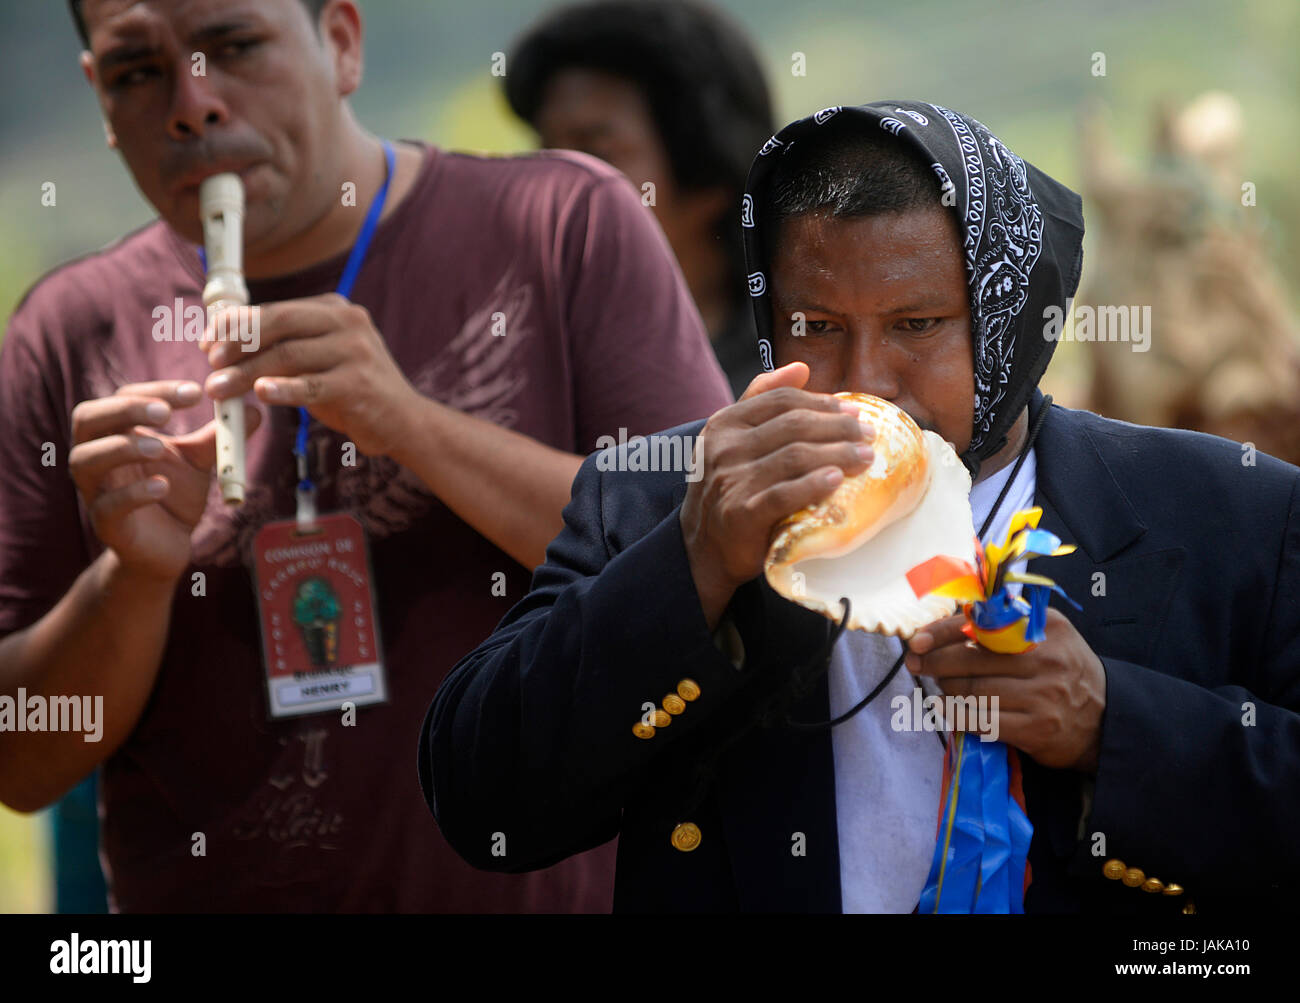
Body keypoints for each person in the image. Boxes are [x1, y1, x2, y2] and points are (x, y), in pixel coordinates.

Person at [421, 102, 1300, 913]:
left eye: (917, 325)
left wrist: (1114, 726)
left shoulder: (1235, 510)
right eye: (819, 325)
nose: (864, 380)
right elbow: (481, 799)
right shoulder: (658, 494)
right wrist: (693, 560)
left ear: (1004, 318)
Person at [0, 0, 732, 912]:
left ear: (341, 42)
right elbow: (23, 762)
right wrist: (134, 576)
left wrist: (412, 425)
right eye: (137, 72)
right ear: (98, 100)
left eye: (233, 45)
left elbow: (710, 559)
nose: (191, 104)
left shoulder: (562, 223)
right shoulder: (67, 330)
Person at [504, 0, 774, 399]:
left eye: (597, 155)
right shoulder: (512, 363)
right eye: (545, 155)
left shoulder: (795, 367)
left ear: (706, 177)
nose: (551, 188)